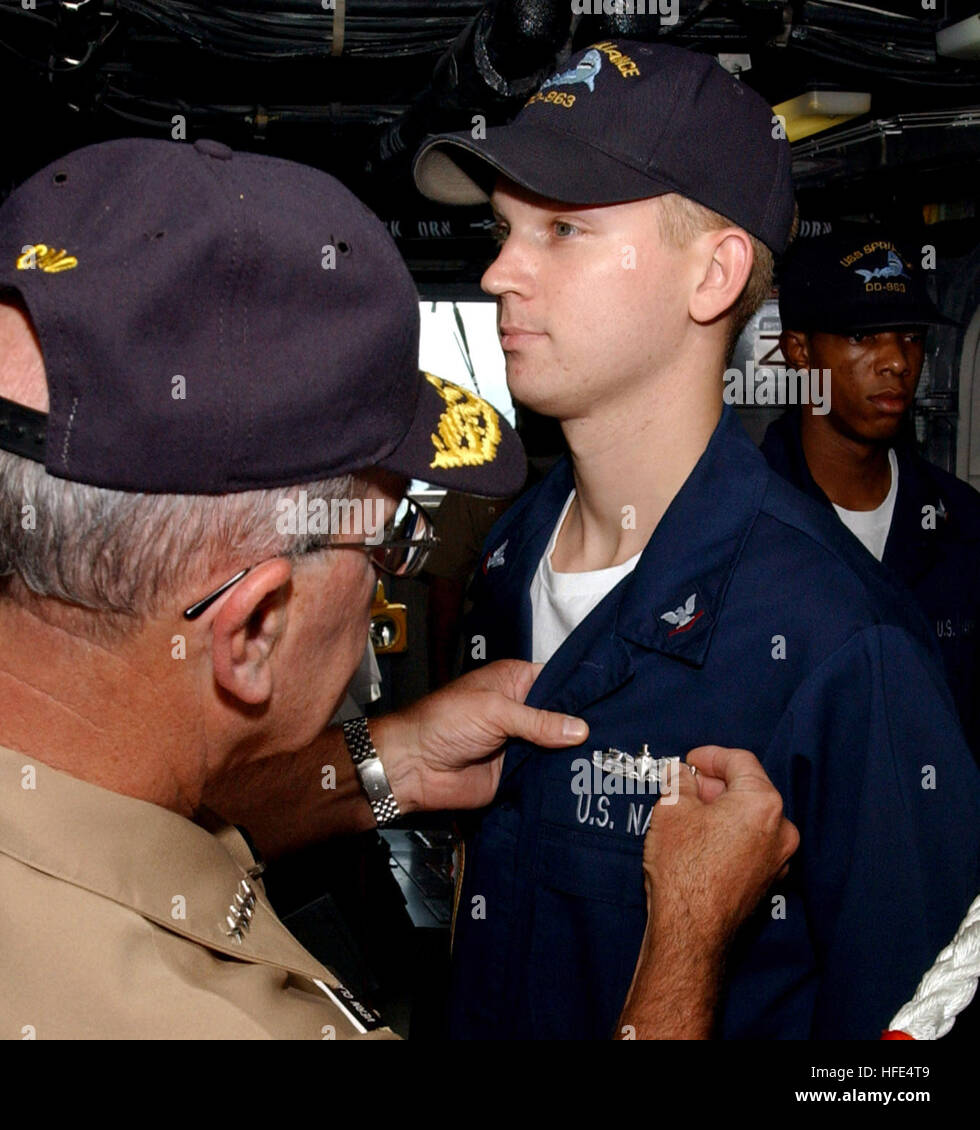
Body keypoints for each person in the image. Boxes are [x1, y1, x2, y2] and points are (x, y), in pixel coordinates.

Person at [0, 137, 796, 1039]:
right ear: (253, 626)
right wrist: (685, 941)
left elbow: (90, 771)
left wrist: (377, 761)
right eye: (386, 544)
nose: (384, 582)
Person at [411, 38, 980, 1038]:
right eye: (504, 229)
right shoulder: (507, 557)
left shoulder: (845, 647)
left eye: (562, 228)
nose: (500, 270)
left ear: (712, 273)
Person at [762, 227, 980, 752]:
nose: (898, 362)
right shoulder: (740, 522)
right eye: (863, 336)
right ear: (799, 352)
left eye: (910, 335)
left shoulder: (964, 526)